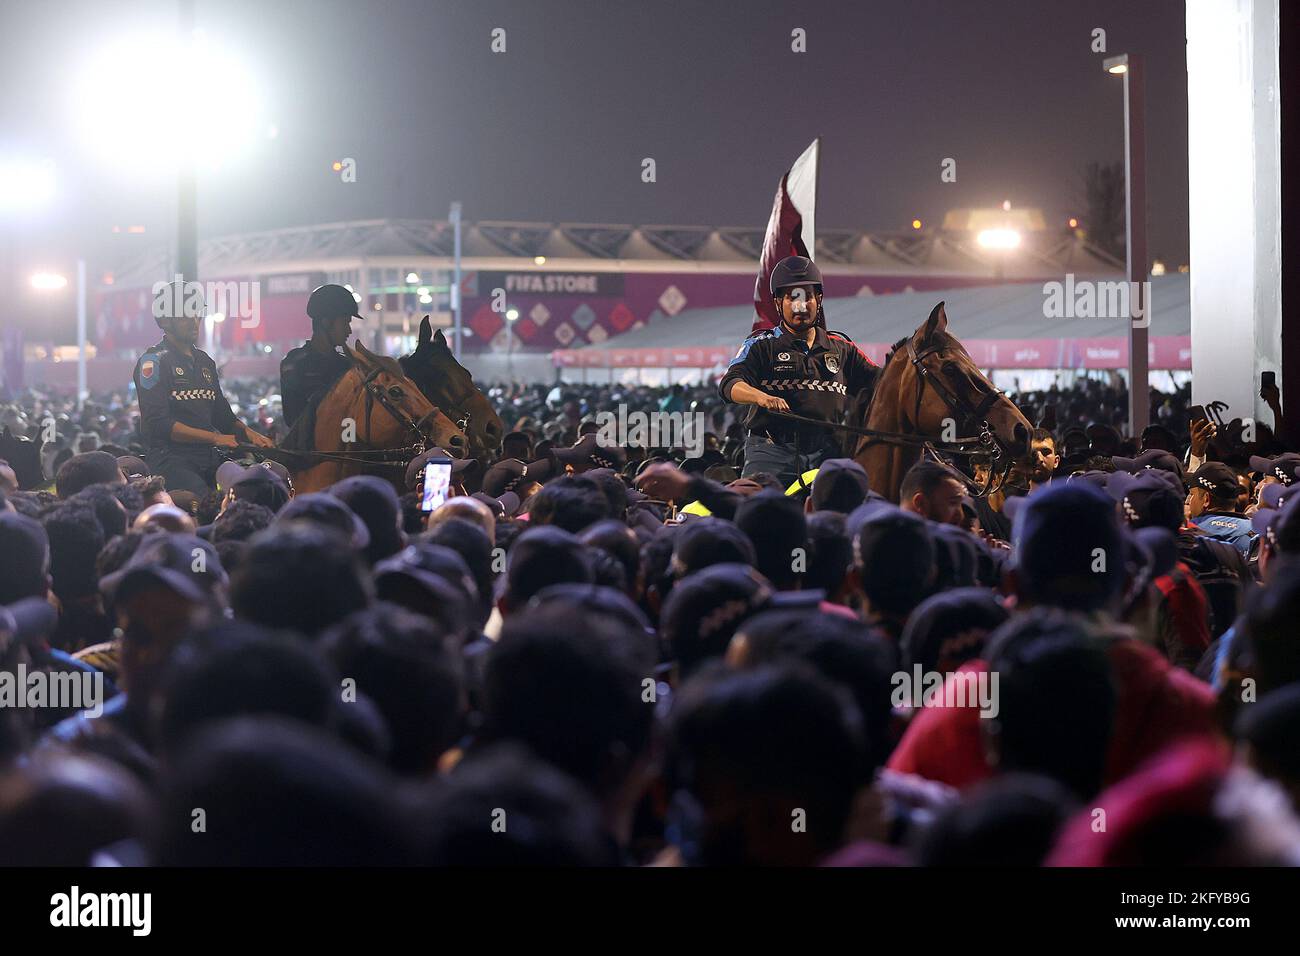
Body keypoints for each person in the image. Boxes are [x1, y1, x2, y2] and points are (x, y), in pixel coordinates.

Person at [719, 256, 877, 487]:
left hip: (829, 451)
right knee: (755, 503)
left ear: (819, 299)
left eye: (807, 297)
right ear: (778, 303)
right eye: (792, 298)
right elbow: (729, 385)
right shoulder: (761, 345)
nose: (800, 306)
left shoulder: (844, 349)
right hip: (771, 451)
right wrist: (762, 398)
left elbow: (883, 382)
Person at [133, 281, 273, 496]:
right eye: (185, 316)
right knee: (206, 501)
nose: (194, 321)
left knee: (255, 490)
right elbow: (158, 424)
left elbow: (222, 416)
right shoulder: (152, 362)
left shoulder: (205, 362)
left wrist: (252, 435)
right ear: (164, 321)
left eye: (197, 314)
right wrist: (215, 438)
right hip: (170, 460)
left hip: (208, 457)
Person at [279, 284, 362, 431]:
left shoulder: (348, 365)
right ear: (326, 323)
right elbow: (294, 418)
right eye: (345, 322)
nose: (349, 330)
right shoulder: (295, 363)